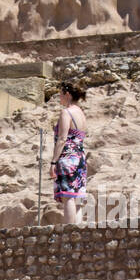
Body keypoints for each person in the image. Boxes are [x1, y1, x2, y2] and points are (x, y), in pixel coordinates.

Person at [50, 82, 88, 225]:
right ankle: (76, 232)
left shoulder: (66, 112)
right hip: (80, 158)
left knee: (68, 197)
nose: (59, 97)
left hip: (68, 158)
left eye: (60, 94)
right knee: (76, 197)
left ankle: (69, 232)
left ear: (67, 94)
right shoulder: (81, 114)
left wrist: (53, 162)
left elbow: (62, 139)